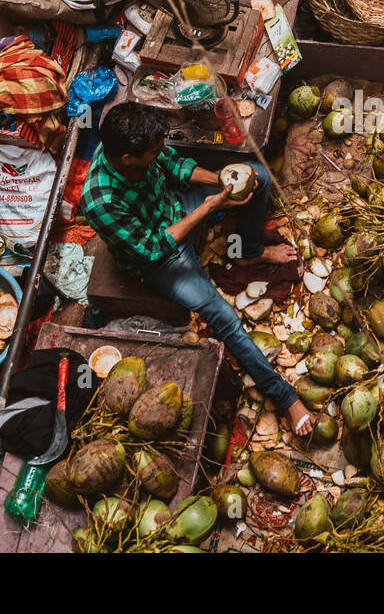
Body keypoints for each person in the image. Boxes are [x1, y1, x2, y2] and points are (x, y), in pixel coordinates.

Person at [81, 102, 314, 436]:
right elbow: (152, 248)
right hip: (161, 258)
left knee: (257, 176)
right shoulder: (100, 201)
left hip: (175, 205)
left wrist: (222, 183)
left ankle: (248, 250)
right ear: (129, 160)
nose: (160, 152)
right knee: (224, 318)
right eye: (154, 151)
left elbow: (174, 166)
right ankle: (286, 397)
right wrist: (208, 208)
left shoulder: (136, 144)